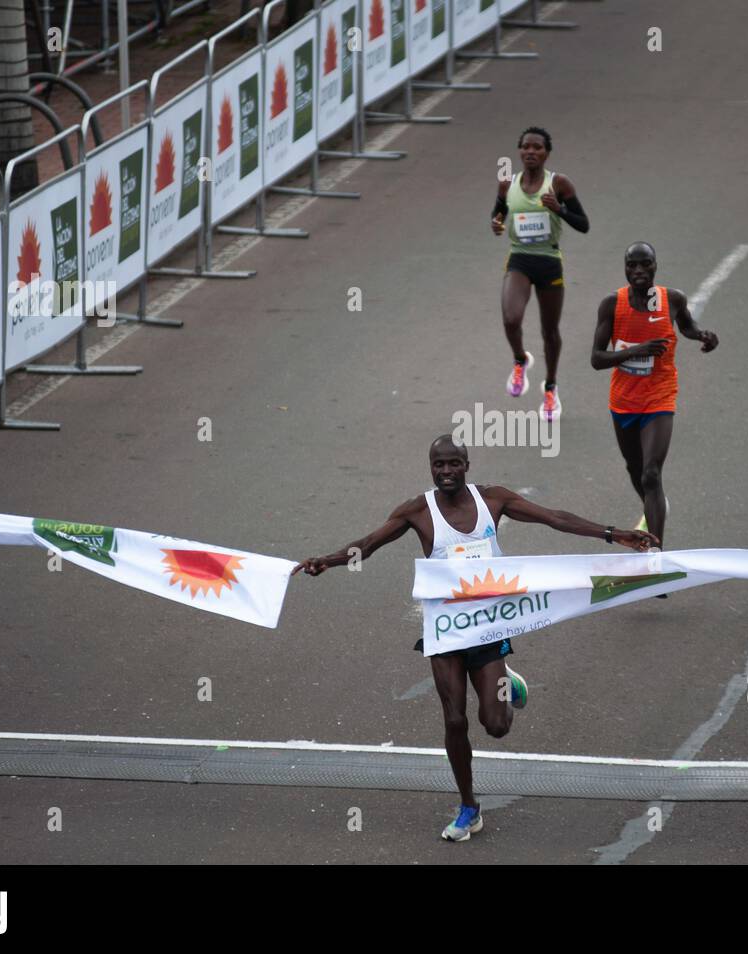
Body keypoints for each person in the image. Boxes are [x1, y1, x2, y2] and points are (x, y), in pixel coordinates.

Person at [293, 435, 656, 842]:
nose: (446, 472)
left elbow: (554, 517)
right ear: (430, 467)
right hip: (445, 629)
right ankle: (469, 807)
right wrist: (329, 560)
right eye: (438, 465)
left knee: (496, 725)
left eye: (454, 464)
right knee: (454, 718)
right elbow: (369, 544)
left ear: (467, 464)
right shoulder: (418, 510)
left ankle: (509, 685)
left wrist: (614, 534)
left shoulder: (493, 500)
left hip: (487, 627)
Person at [591, 243, 718, 568]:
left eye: (645, 265)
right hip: (623, 403)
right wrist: (636, 350)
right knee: (635, 469)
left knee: (650, 473)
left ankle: (656, 555)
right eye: (632, 266)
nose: (638, 272)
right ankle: (655, 505)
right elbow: (597, 359)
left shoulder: (672, 299)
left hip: (659, 397)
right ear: (624, 268)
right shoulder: (612, 305)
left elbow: (686, 325)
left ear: (655, 266)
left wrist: (702, 335)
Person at [491, 127, 589, 423]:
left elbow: (584, 224)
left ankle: (550, 387)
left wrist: (559, 209)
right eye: (526, 147)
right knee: (510, 318)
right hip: (520, 259)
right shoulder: (507, 185)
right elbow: (497, 215)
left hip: (549, 262)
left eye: (537, 148)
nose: (531, 152)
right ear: (519, 151)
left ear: (547, 153)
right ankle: (520, 359)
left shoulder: (558, 183)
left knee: (550, 330)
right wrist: (495, 224)